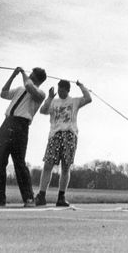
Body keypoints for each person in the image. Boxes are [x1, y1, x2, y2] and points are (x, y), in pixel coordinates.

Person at [0, 67, 47, 207]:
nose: (30, 76)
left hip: (21, 125)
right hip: (7, 122)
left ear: (36, 78)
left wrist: (23, 73)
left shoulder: (40, 93)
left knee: (19, 163)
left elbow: (29, 86)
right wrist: (12, 76)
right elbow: (3, 93)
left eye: (32, 75)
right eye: (30, 74)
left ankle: (29, 198)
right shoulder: (20, 88)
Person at [35, 79, 91, 207]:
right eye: (58, 90)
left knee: (66, 166)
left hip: (69, 134)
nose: (59, 92)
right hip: (55, 134)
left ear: (67, 90)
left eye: (62, 90)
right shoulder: (54, 102)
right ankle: (41, 195)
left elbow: (88, 98)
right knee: (48, 165)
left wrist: (81, 85)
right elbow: (43, 110)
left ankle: (61, 197)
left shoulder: (74, 101)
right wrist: (49, 98)